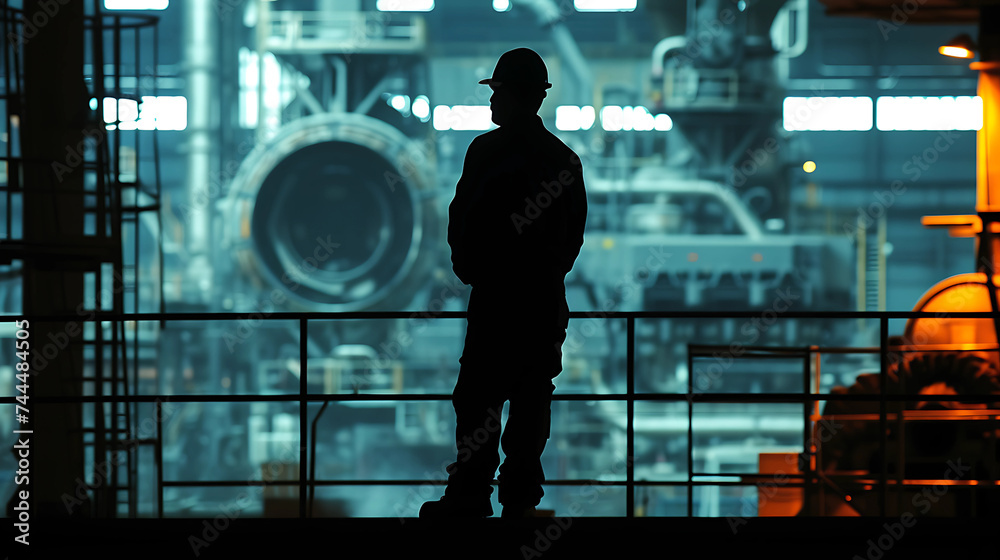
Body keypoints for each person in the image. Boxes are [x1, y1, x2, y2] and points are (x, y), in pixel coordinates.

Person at [420, 47, 587, 519]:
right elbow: (572, 236)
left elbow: (461, 220)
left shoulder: (486, 152)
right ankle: (520, 498)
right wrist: (542, 275)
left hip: (495, 302)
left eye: (496, 92)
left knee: (478, 397)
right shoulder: (563, 159)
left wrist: (474, 271)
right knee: (531, 397)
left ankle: (471, 494)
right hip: (540, 302)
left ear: (514, 96)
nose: (491, 102)